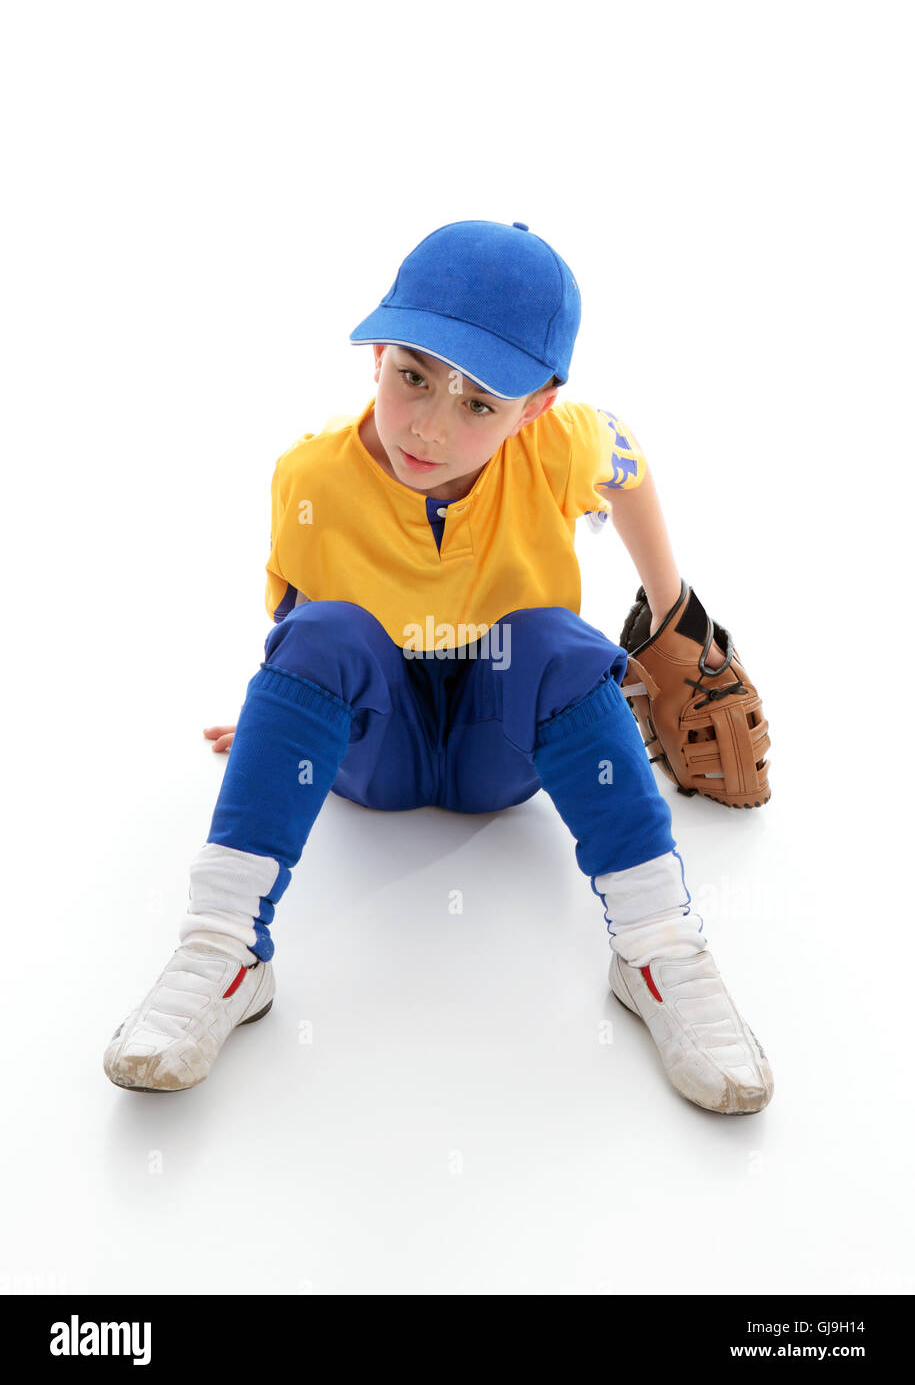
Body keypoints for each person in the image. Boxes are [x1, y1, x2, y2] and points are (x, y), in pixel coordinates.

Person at [103, 220, 773, 1114]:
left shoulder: (560, 445)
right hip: (377, 755)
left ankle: (658, 951)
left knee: (554, 639)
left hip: (501, 743)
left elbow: (629, 463)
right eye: (411, 376)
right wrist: (277, 723)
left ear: (535, 406)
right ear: (375, 354)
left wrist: (671, 608)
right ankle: (222, 952)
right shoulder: (310, 477)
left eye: (478, 404)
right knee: (326, 629)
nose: (428, 425)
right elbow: (303, 645)